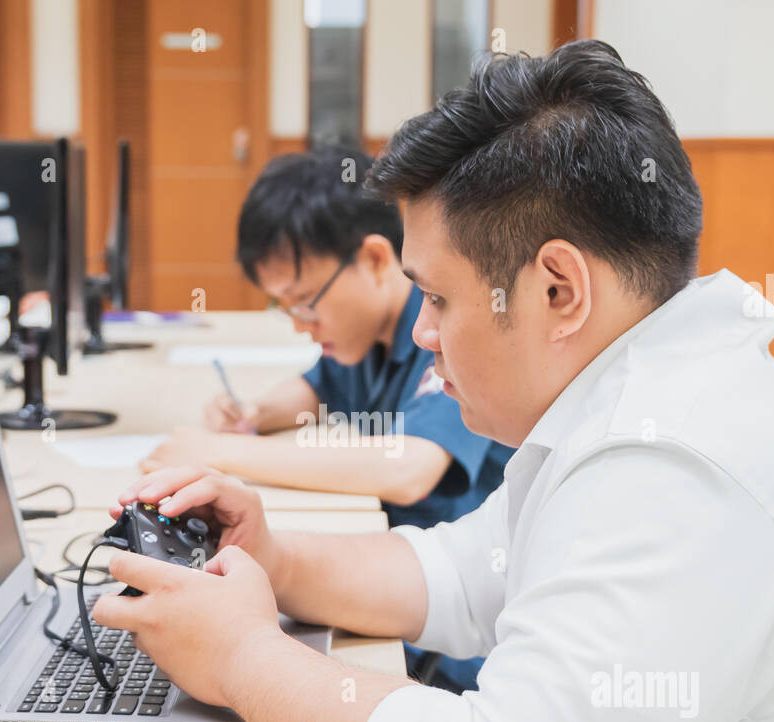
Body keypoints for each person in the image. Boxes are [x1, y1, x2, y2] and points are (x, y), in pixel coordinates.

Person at [91, 41, 774, 722]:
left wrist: (243, 654)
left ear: (559, 289)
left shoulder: (675, 463)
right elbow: (470, 573)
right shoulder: (637, 397)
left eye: (438, 299)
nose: (428, 336)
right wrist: (275, 559)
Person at [146, 146, 514, 691]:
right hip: (398, 594)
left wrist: (217, 454)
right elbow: (316, 389)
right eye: (287, 309)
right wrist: (254, 413)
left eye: (305, 302)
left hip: (460, 643)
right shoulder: (364, 336)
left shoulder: (441, 329)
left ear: (372, 260)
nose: (302, 325)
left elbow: (409, 467)